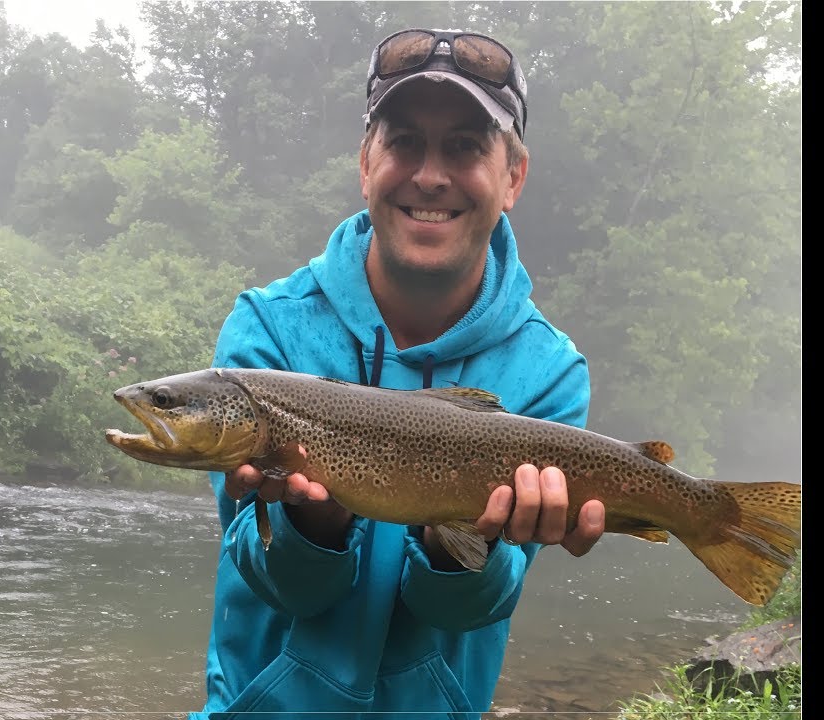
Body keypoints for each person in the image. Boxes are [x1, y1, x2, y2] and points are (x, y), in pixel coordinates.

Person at [191, 28, 606, 719]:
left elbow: (471, 610)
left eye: (465, 147)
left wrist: (460, 545)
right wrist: (313, 519)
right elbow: (275, 585)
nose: (431, 175)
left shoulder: (550, 371)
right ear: (365, 163)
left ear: (514, 177)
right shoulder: (267, 331)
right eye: (405, 141)